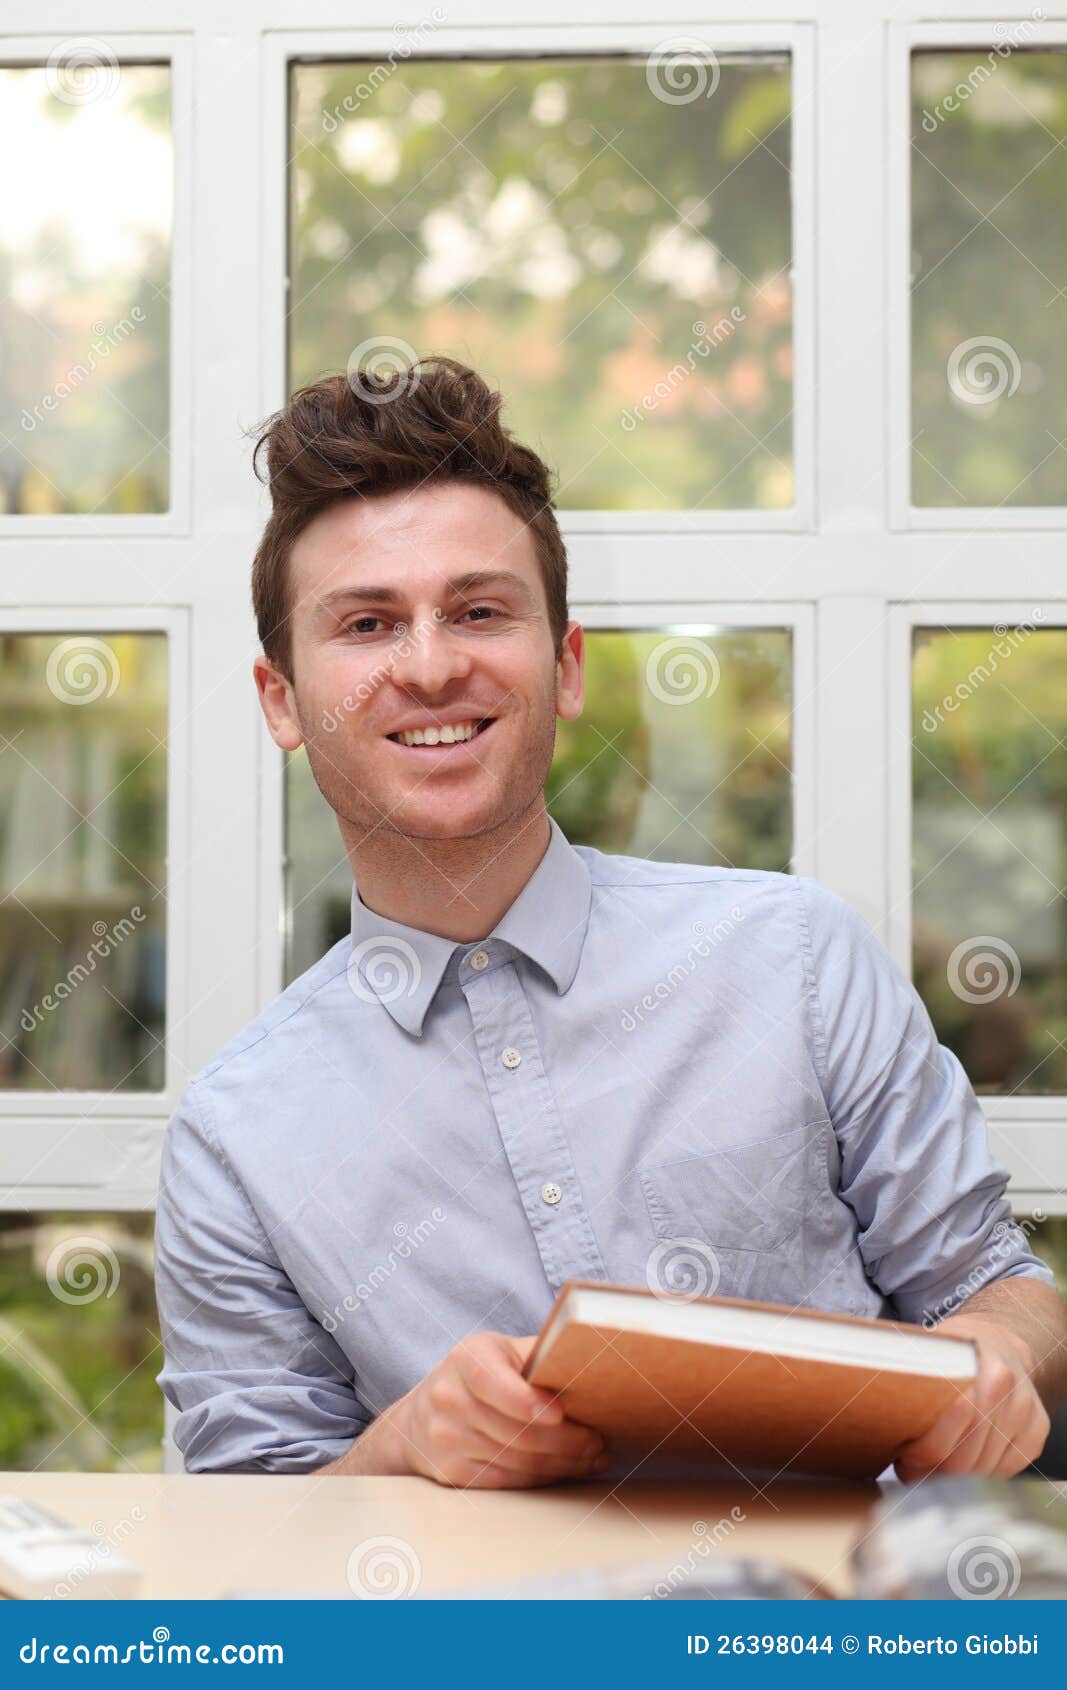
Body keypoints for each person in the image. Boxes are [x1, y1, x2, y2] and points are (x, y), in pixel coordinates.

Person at [155, 357, 1066, 1488]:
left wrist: (994, 1357)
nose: (431, 665)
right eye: (368, 623)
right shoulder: (234, 1136)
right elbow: (248, 1520)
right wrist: (397, 1449)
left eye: (479, 611)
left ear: (566, 665)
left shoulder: (795, 955)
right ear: (282, 699)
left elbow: (992, 1283)